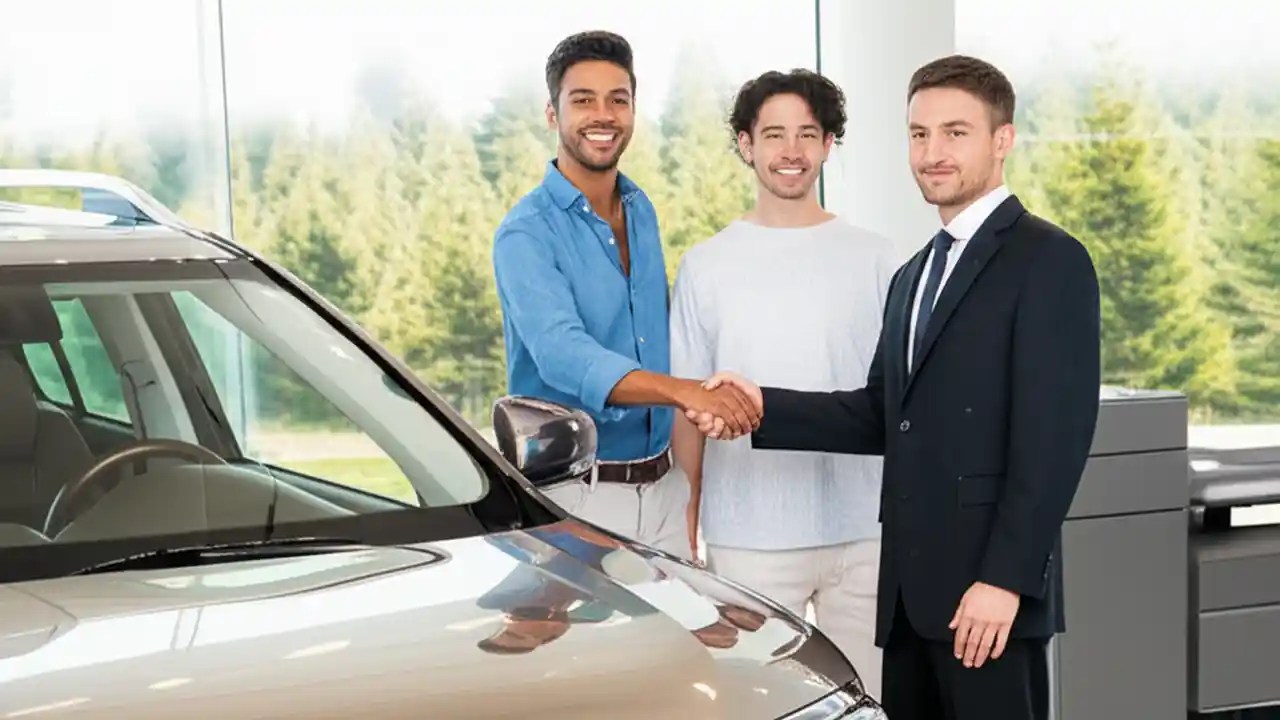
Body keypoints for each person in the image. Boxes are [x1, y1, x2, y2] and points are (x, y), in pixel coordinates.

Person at [694, 55, 1101, 719]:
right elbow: (880, 417)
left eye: (955, 133)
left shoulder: (1048, 260)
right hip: (910, 601)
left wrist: (1005, 581)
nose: (932, 153)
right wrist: (763, 405)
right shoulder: (914, 275)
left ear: (1003, 140)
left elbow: (1053, 443)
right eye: (918, 134)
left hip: (987, 602)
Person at [667, 68, 896, 698]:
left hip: (867, 533)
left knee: (871, 702)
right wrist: (687, 520)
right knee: (757, 703)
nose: (790, 151)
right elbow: (688, 403)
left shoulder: (879, 259)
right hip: (750, 534)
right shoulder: (707, 265)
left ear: (828, 145)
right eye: (773, 135)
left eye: (807, 134)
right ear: (746, 145)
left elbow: (904, 402)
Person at [491, 30, 760, 560]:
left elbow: (654, 334)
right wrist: (684, 391)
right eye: (582, 100)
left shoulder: (641, 210)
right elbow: (564, 355)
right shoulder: (525, 233)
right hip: (575, 499)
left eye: (619, 99)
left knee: (678, 643)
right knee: (592, 646)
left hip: (662, 489)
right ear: (552, 114)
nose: (603, 115)